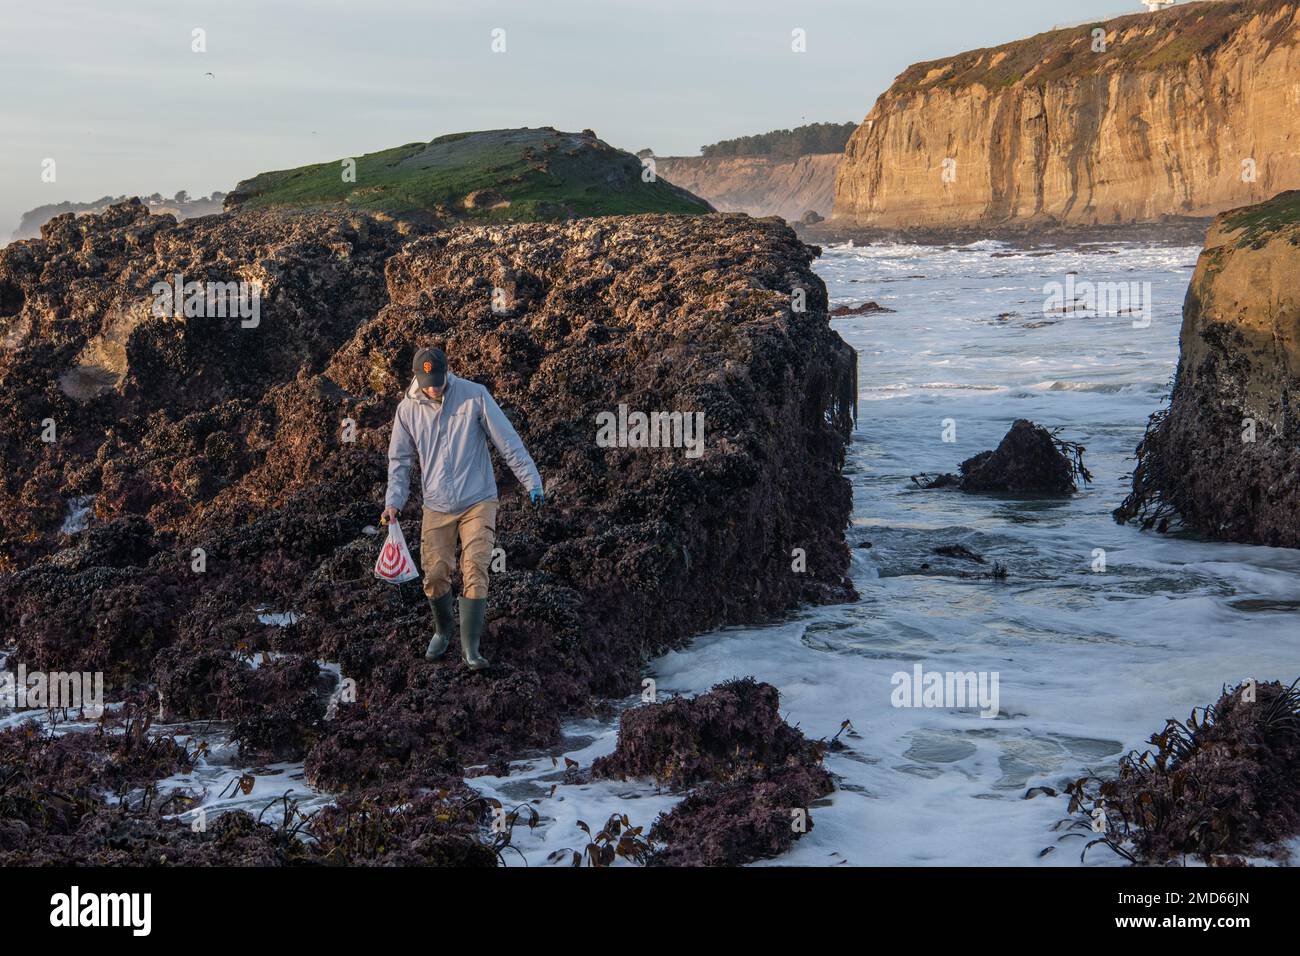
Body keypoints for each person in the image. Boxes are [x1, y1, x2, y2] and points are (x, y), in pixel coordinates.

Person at [381, 347, 543, 669]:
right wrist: (393, 502)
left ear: (447, 372)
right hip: (436, 505)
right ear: (417, 378)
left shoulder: (475, 395)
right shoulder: (406, 411)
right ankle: (443, 630)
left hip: (478, 499)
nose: (434, 387)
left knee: (476, 568)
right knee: (436, 572)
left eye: (438, 380)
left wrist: (532, 481)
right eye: (428, 382)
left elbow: (507, 441)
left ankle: (471, 649)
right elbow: (400, 461)